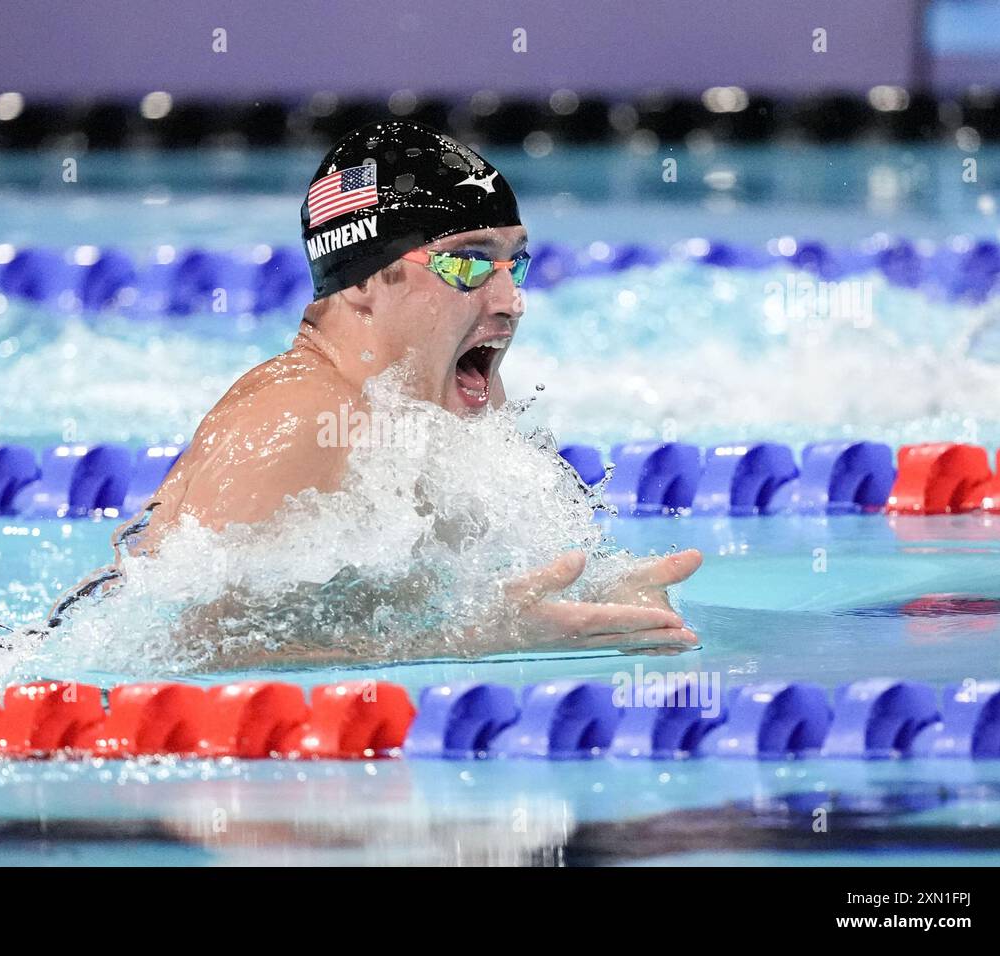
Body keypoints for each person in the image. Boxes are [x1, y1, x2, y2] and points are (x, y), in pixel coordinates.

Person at [49, 121, 702, 657]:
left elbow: (524, 574)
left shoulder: (446, 400)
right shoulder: (301, 415)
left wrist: (619, 600)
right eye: (469, 262)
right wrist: (473, 643)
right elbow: (181, 646)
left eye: (514, 263)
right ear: (362, 279)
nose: (511, 301)